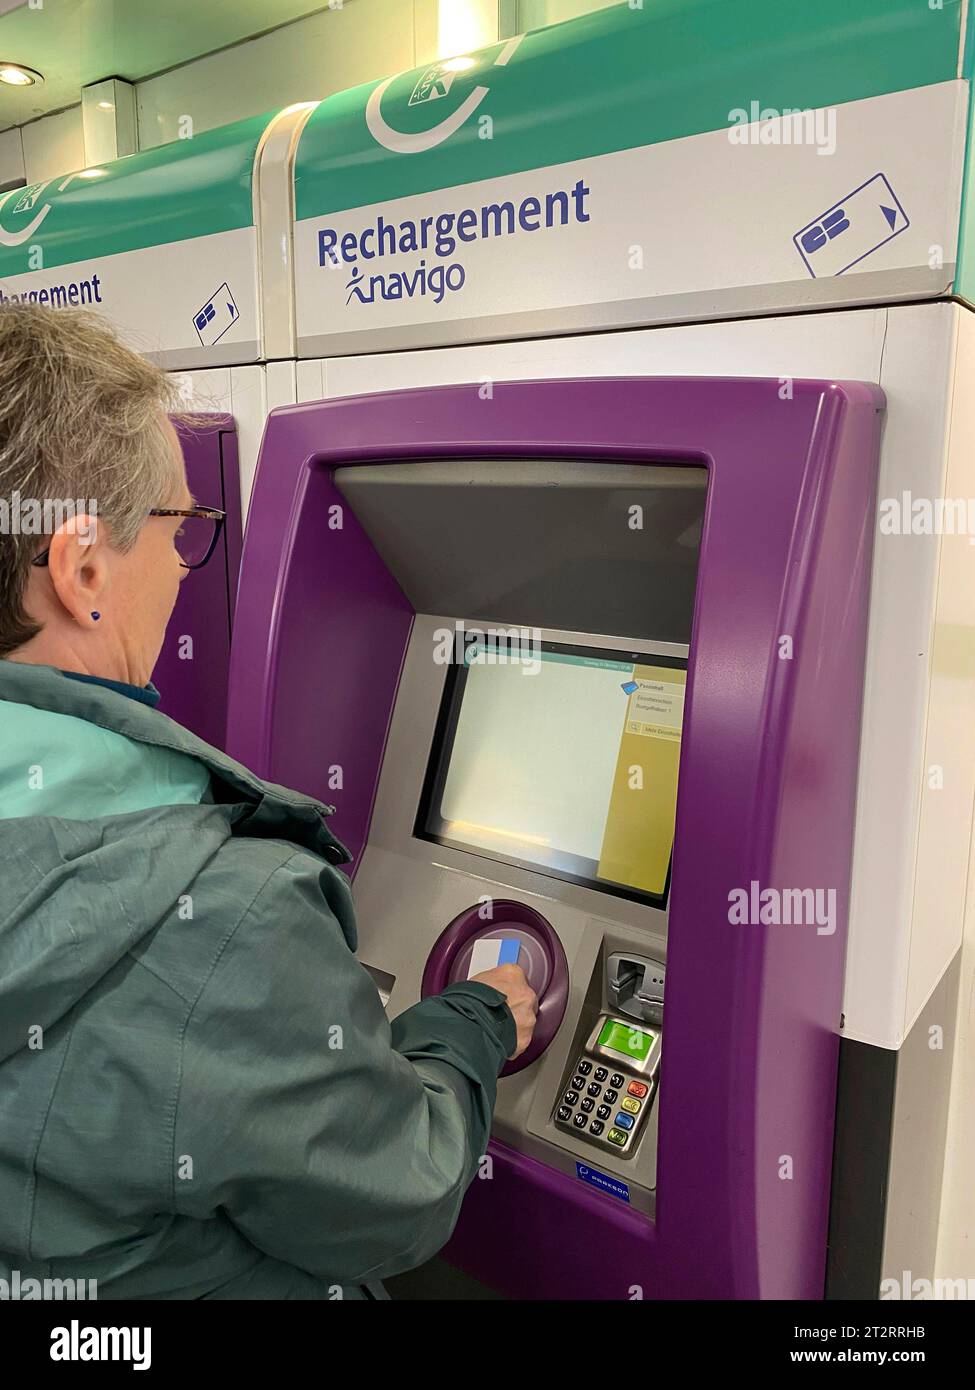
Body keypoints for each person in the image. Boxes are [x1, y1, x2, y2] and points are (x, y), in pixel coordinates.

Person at [0, 303, 538, 1300]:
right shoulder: (218, 913)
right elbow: (399, 1192)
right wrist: (471, 1019)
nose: (186, 554)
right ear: (82, 571)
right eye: (182, 524)